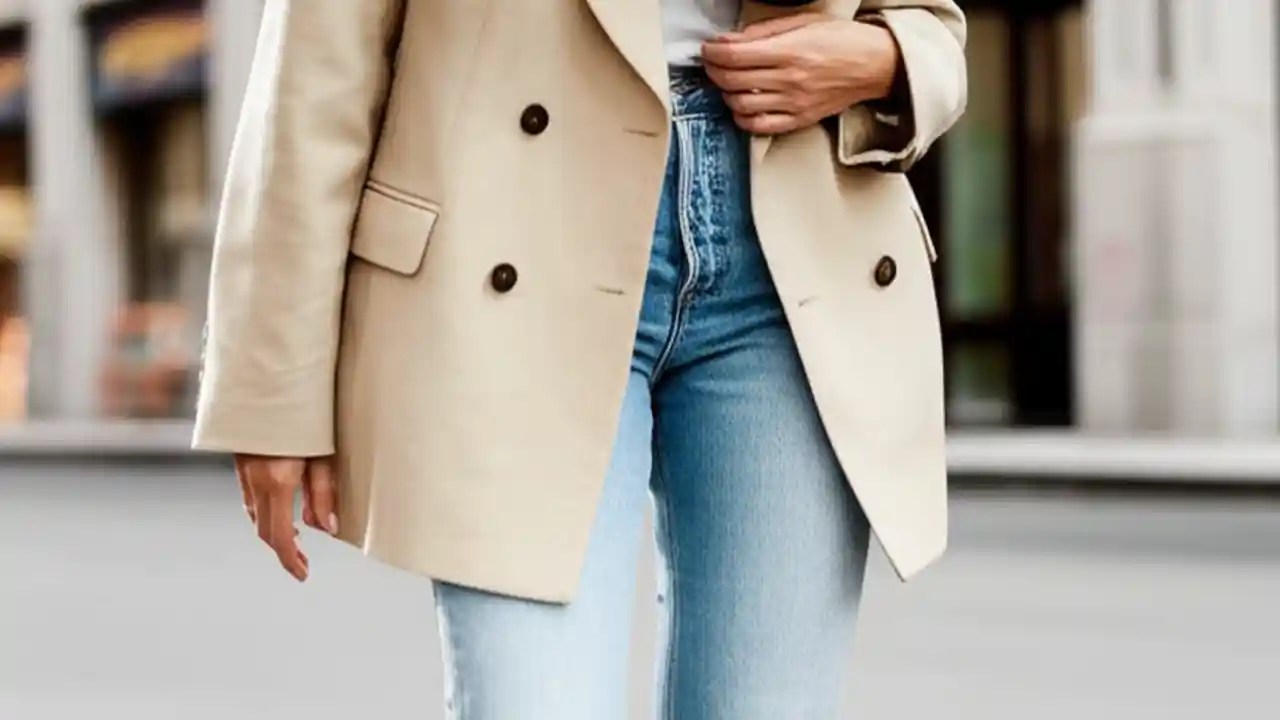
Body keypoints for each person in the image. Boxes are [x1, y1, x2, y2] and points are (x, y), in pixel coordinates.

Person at [194, 0, 966, 716]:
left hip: (794, 248)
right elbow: (318, 69)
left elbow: (931, 25)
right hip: (511, 240)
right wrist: (274, 380)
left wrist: (884, 61)